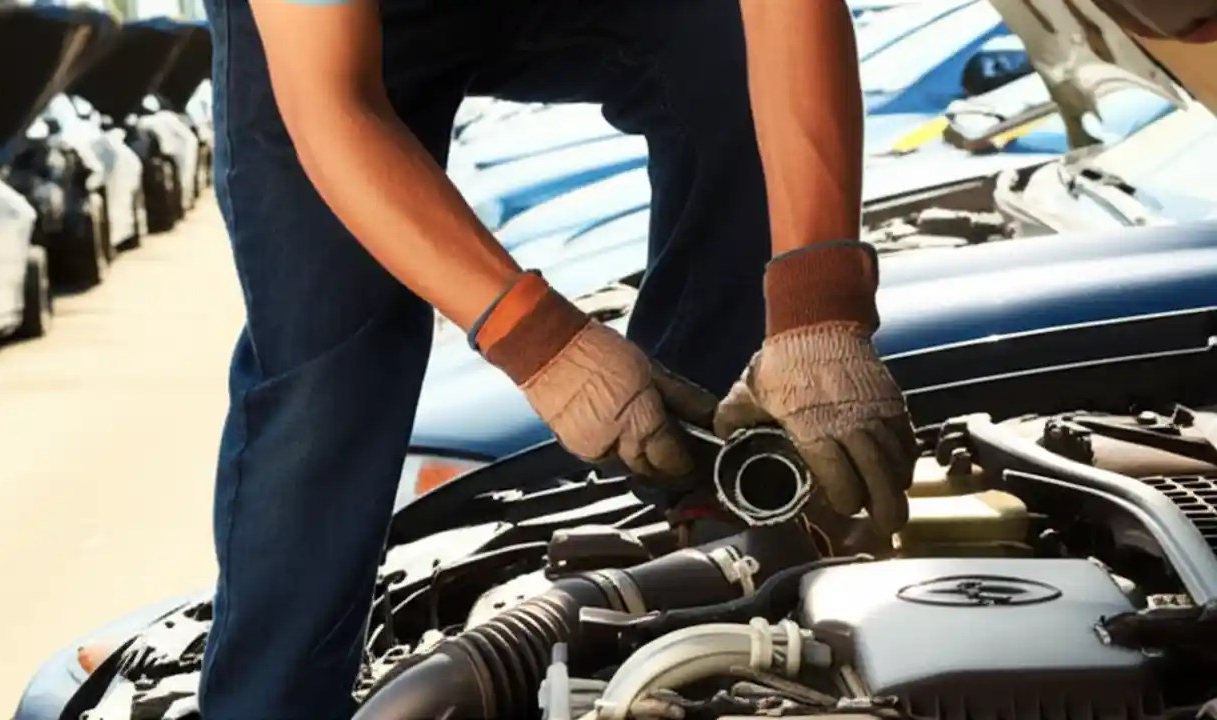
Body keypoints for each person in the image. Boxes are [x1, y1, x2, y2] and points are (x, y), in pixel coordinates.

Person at [196, 1, 918, 717]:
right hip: (340, 41)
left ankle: (725, 516)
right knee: (332, 363)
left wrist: (816, 311)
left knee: (727, 43)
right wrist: (543, 345)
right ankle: (272, 701)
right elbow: (333, 108)